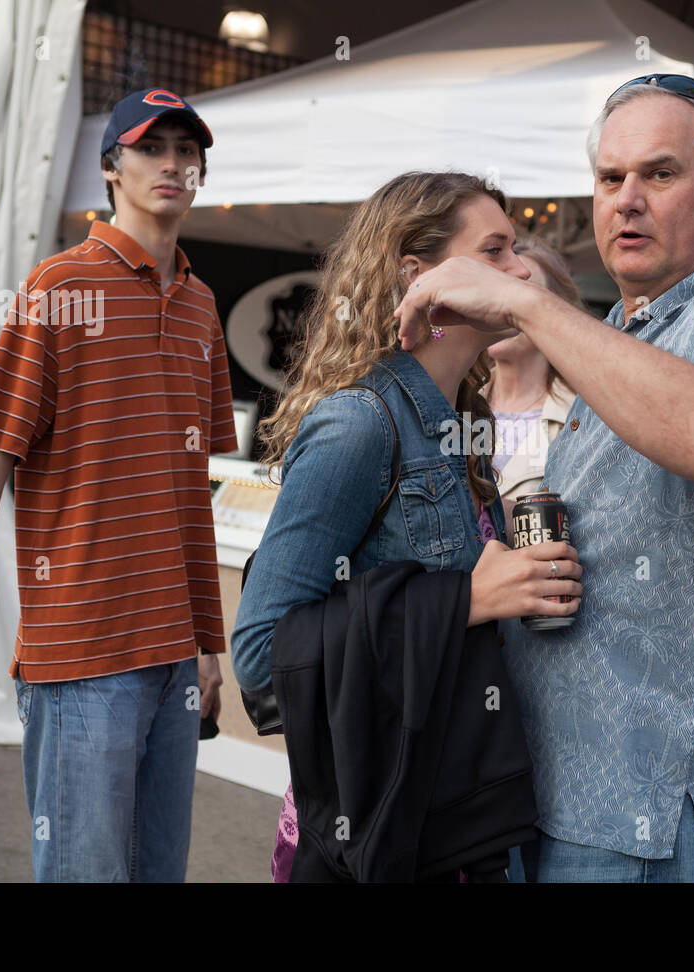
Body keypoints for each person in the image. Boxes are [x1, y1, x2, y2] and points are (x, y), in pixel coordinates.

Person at [395, 74, 694, 882]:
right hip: (567, 803)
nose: (627, 200)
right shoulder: (630, 329)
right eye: (609, 178)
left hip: (656, 815)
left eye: (660, 174)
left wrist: (528, 307)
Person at [0, 88, 236, 882]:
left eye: (188, 151)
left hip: (173, 659)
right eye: (154, 148)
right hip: (82, 660)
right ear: (111, 166)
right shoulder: (56, 287)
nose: (175, 165)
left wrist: (209, 646)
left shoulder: (201, 306)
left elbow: (191, 490)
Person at [230, 171, 583, 882]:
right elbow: (263, 656)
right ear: (417, 276)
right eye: (495, 252)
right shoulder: (359, 425)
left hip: (452, 809)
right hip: (381, 828)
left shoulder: (461, 421)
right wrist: (463, 601)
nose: (520, 272)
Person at [483, 236, 579, 530]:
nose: (506, 308)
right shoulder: (451, 405)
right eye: (495, 292)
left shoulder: (583, 413)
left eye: (523, 295)